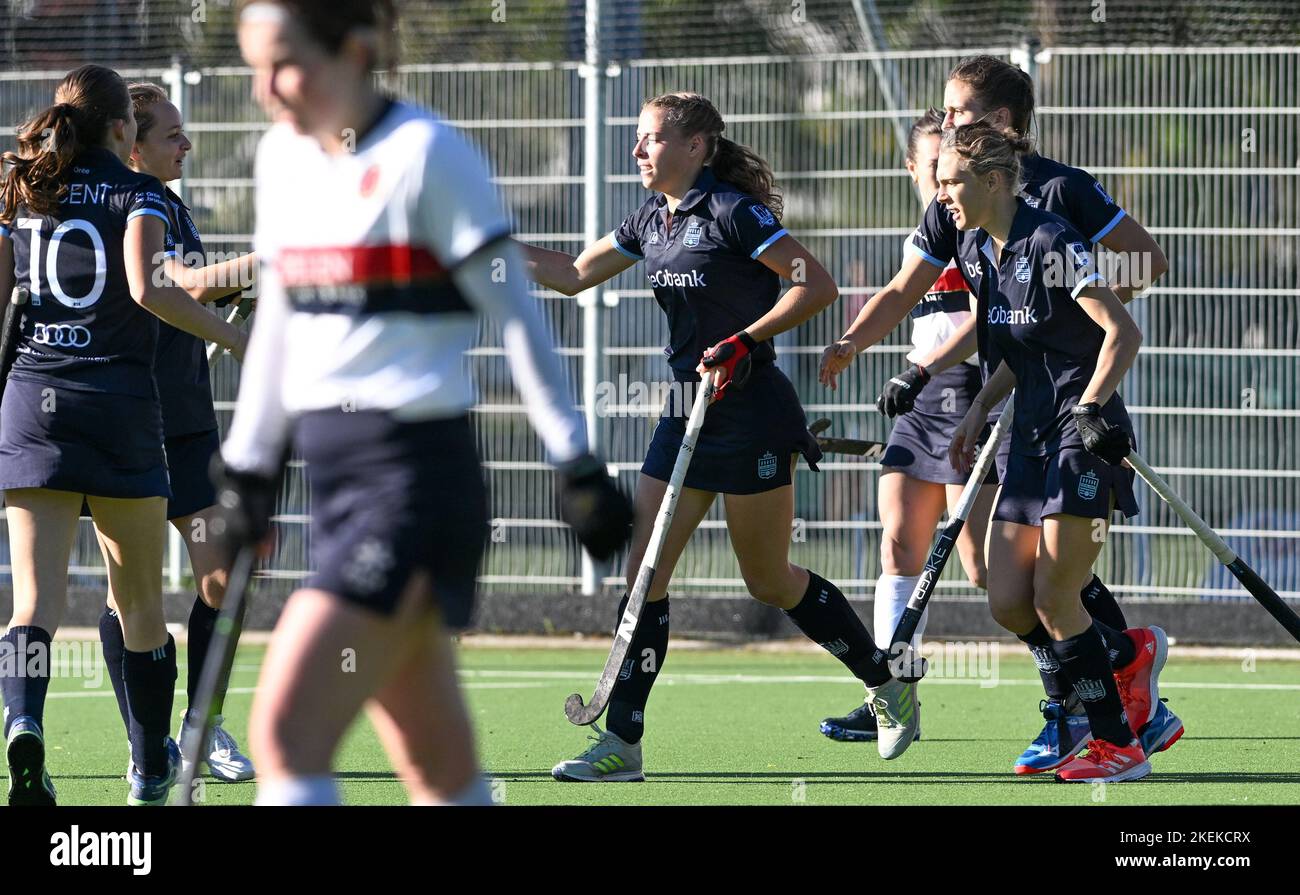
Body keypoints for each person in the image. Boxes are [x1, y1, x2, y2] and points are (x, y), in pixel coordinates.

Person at [224, 0, 631, 805]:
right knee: (436, 763)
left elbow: (517, 316)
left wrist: (577, 461)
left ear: (357, 49)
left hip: (411, 484)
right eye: (252, 68)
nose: (268, 89)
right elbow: (279, 321)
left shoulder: (426, 155)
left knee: (285, 731)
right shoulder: (281, 159)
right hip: (330, 479)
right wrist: (246, 467)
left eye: (286, 63)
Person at [526, 91, 919, 780]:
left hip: (750, 412)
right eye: (639, 139)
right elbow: (572, 275)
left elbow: (815, 284)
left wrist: (745, 339)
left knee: (769, 581)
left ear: (697, 147)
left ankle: (885, 682)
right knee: (643, 573)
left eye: (651, 138)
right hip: (684, 411)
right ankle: (621, 741)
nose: (638, 150)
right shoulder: (651, 218)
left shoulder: (736, 214)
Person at [819, 55, 1183, 771]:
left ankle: (1091, 718)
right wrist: (860, 342)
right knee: (1009, 587)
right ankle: (1115, 668)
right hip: (1009, 392)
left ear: (1001, 126)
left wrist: (1083, 323)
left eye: (957, 112)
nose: (944, 122)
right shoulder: (953, 202)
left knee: (1049, 581)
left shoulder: (1057, 196)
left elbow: (1143, 262)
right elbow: (906, 288)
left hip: (1074, 400)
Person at [0, 64, 247, 805]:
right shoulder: (142, 195)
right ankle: (149, 767)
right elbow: (150, 287)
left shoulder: (22, 193)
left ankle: (21, 719)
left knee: (33, 604)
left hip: (30, 403)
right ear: (122, 131)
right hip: (119, 407)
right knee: (139, 606)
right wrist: (238, 343)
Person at [939, 122, 1170, 781]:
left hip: (1081, 433)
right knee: (1008, 598)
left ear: (992, 180)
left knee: (1054, 593)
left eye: (952, 180)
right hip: (1031, 436)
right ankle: (1128, 650)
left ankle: (1117, 743)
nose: (942, 192)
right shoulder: (976, 248)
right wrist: (980, 408)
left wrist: (1093, 405)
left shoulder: (1051, 239)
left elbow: (1121, 331)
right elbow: (1021, 347)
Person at [95, 81, 259, 784]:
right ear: (132, 146)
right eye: (171, 135)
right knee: (125, 598)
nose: (185, 144)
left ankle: (202, 724)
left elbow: (194, 286)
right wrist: (267, 262)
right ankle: (148, 739)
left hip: (188, 427)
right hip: (134, 426)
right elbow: (173, 282)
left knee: (224, 575)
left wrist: (241, 292)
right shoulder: (133, 205)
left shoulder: (169, 203)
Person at [819, 110, 995, 745]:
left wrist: (920, 368)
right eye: (930, 169)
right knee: (898, 541)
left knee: (983, 567)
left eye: (948, 170)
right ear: (914, 169)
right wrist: (849, 344)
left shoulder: (984, 233)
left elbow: (987, 322)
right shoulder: (923, 236)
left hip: (975, 392)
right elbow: (895, 295)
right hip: (921, 395)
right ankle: (892, 696)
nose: (940, 181)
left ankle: (1107, 660)